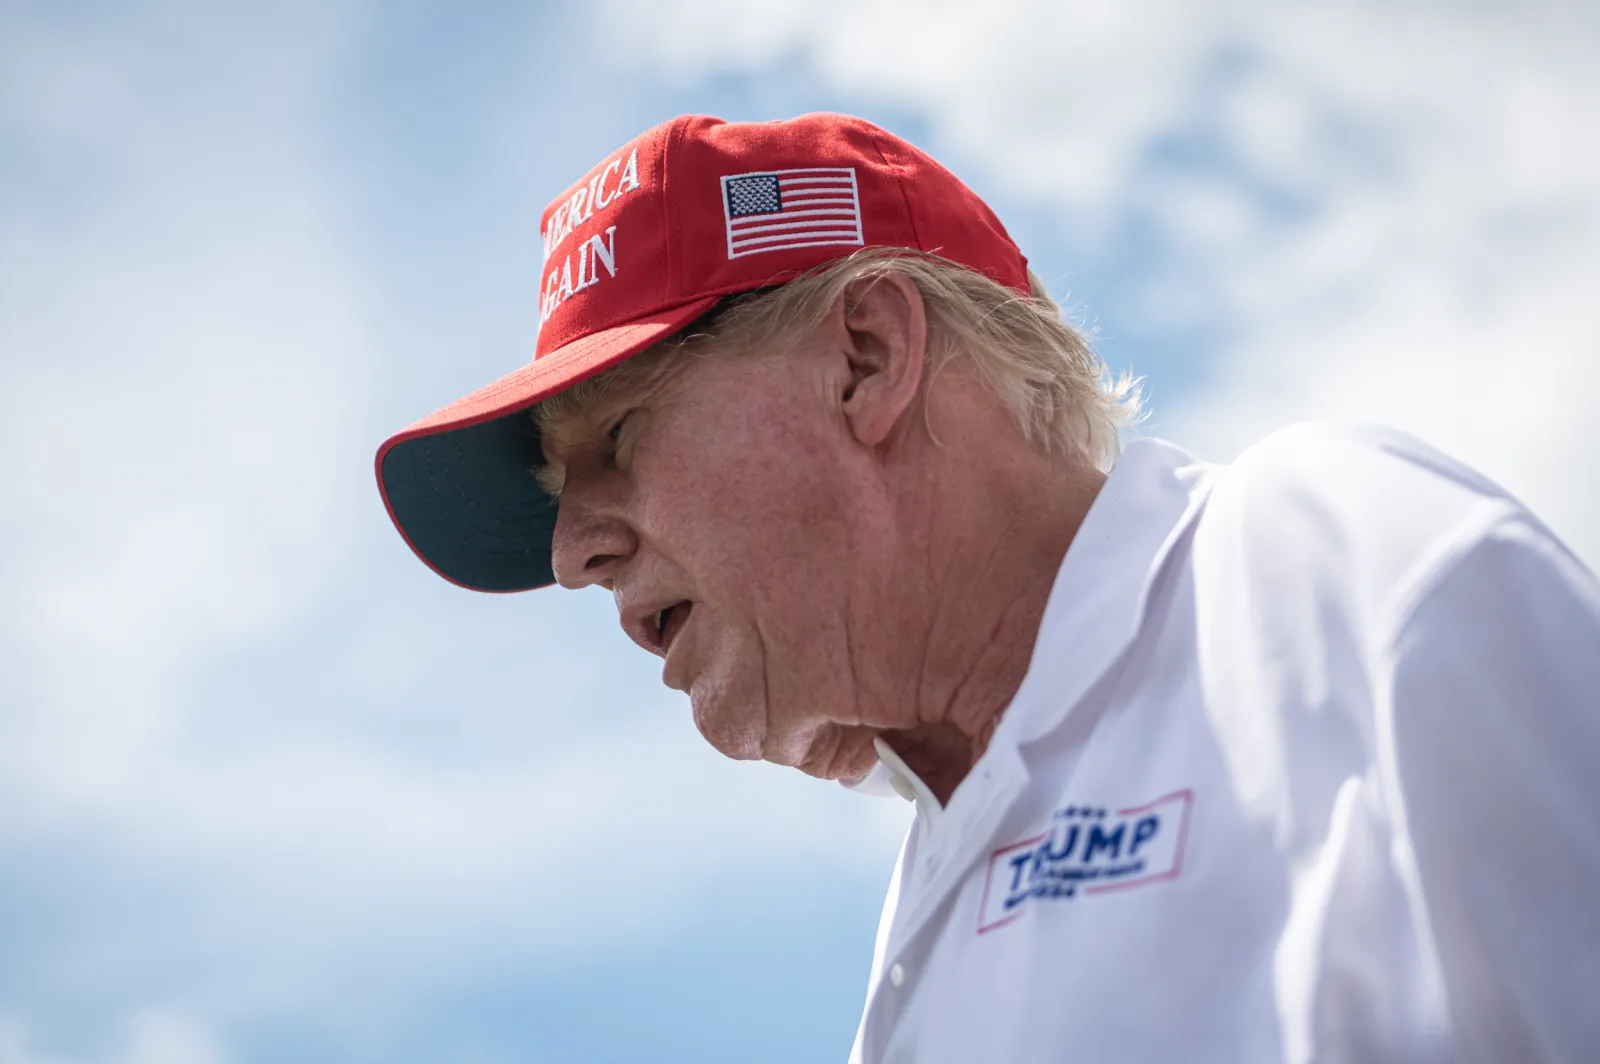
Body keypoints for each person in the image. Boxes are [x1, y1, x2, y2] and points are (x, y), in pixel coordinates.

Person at [375, 113, 1600, 1063]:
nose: (570, 552)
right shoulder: (931, 903)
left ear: (868, 359)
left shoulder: (1322, 566)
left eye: (620, 437)